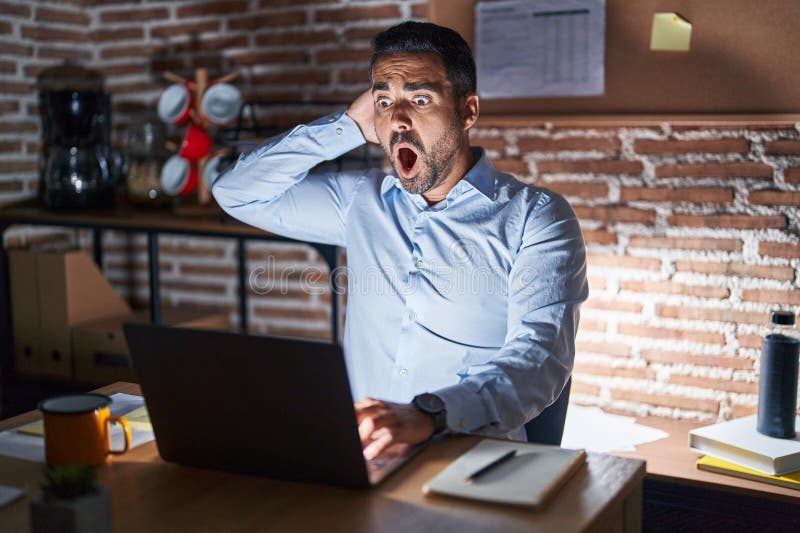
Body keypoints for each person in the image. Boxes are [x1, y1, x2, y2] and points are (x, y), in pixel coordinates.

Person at [212, 21, 588, 460]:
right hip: (363, 455)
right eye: (385, 101)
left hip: (472, 462)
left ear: (468, 112)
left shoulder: (537, 218)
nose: (398, 119)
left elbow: (539, 358)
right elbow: (236, 192)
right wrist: (348, 126)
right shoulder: (359, 200)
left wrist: (431, 413)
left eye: (420, 98)